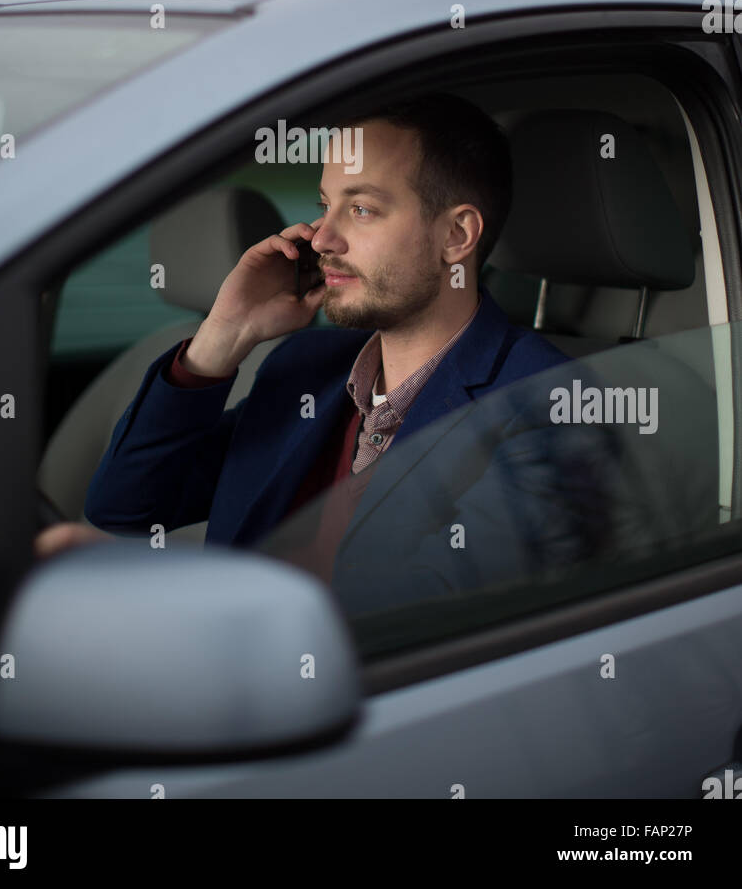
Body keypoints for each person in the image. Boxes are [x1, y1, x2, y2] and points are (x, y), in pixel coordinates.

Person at [37, 93, 623, 608]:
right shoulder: (304, 369)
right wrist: (224, 335)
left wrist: (173, 594)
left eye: (361, 209)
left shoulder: (549, 405)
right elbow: (128, 505)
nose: (321, 237)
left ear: (456, 236)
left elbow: (432, 617)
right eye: (325, 204)